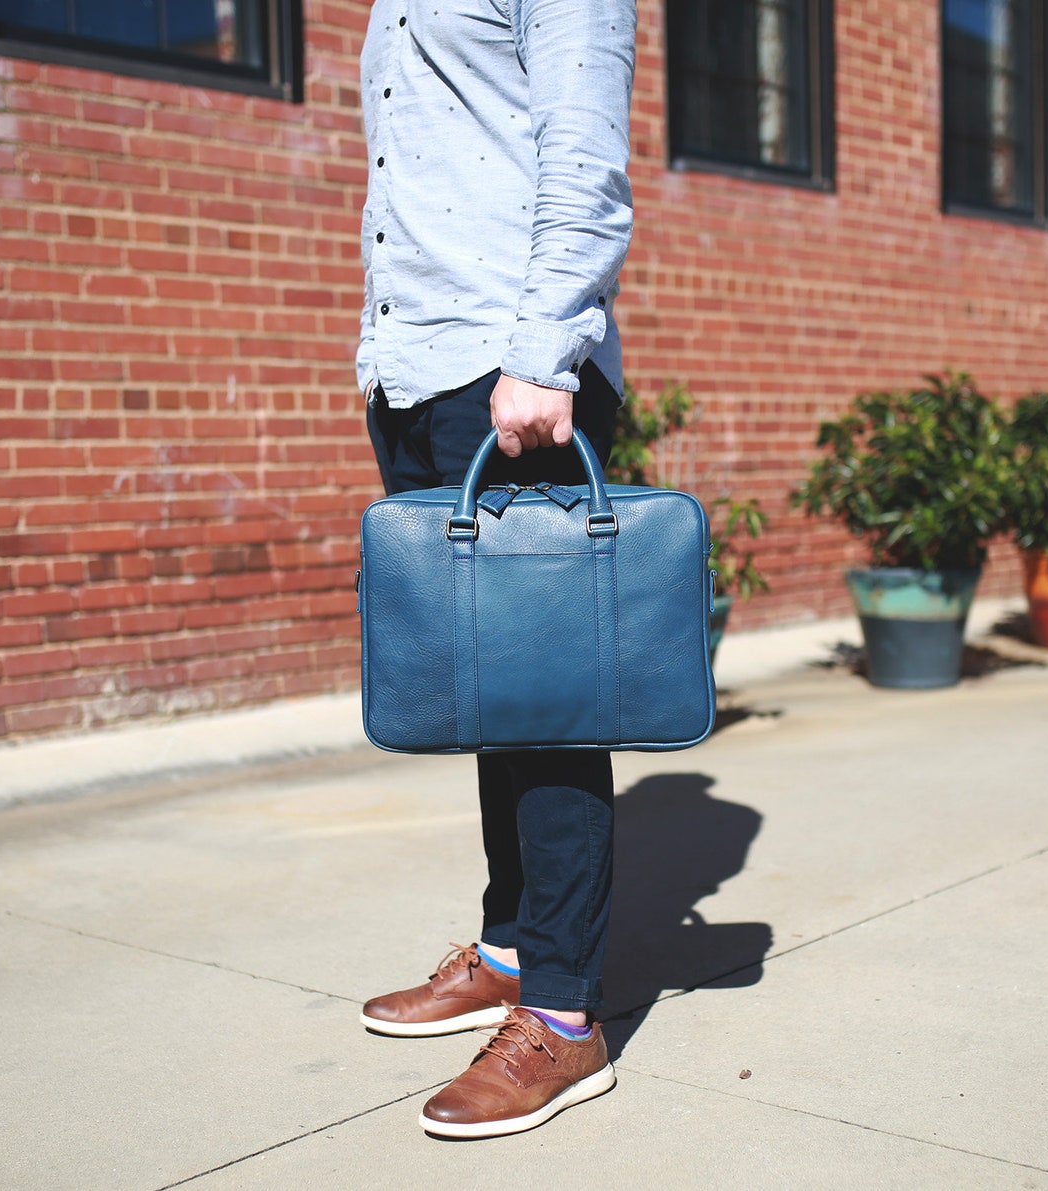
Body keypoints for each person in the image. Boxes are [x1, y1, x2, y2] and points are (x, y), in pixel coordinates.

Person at [354, 0, 637, 1140]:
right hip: (416, 370)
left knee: (553, 707)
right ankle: (515, 950)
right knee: (489, 699)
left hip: (510, 373)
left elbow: (585, 162)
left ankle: (565, 1022)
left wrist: (540, 354)